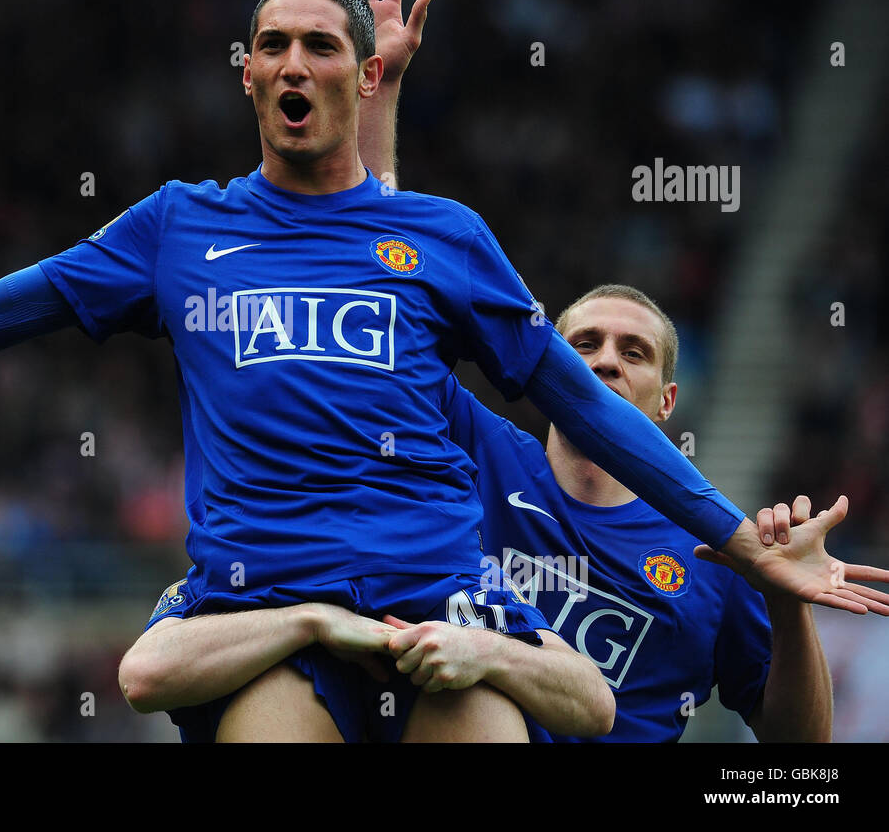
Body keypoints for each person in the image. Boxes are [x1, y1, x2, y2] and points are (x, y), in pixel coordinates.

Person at [0, 0, 889, 744]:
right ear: (245, 75)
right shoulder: (175, 230)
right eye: (272, 43)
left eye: (320, 46)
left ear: (354, 75)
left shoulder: (442, 236)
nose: (295, 60)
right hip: (264, 605)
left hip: (444, 604)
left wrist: (731, 540)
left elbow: (576, 400)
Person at [123, 283, 882, 741]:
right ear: (548, 371)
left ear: (667, 401)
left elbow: (799, 752)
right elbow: (379, 300)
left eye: (634, 351)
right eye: (581, 343)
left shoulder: (718, 551)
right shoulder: (474, 448)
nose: (605, 360)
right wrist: (370, 88)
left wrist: (785, 605)